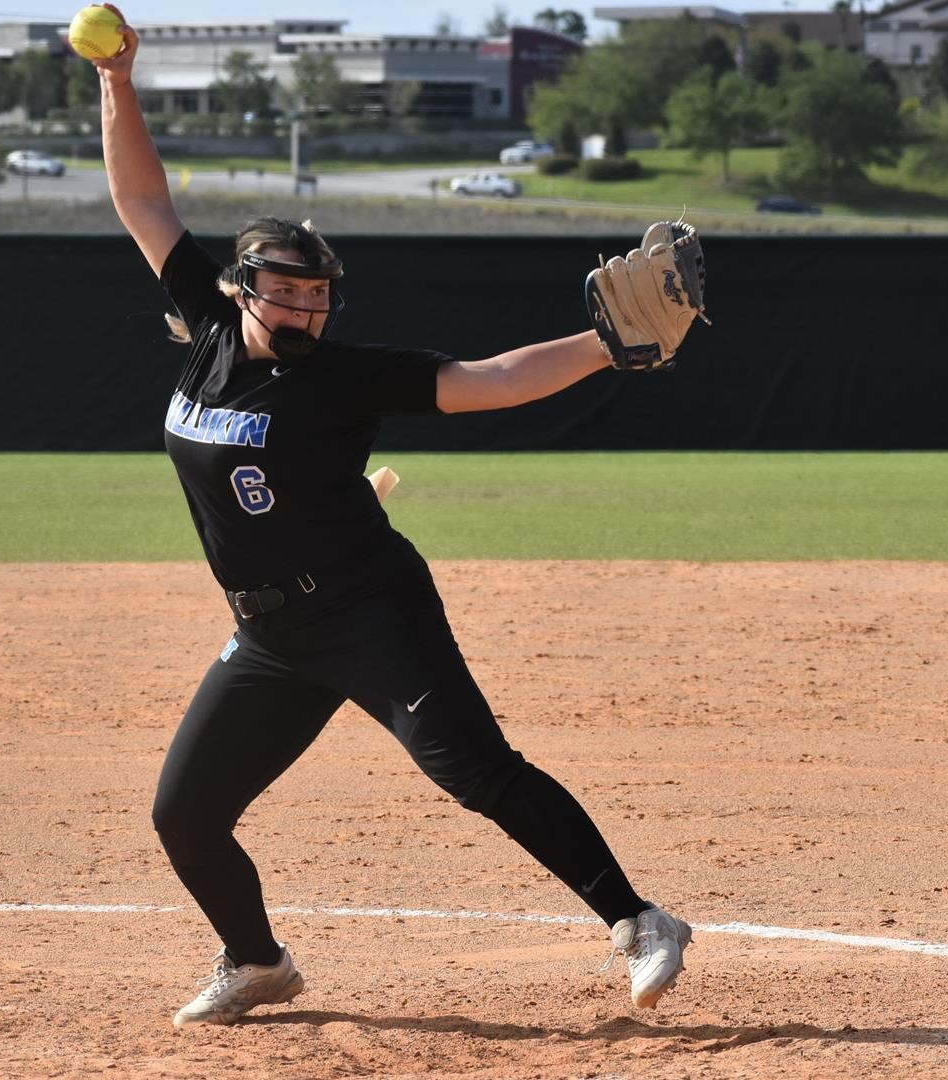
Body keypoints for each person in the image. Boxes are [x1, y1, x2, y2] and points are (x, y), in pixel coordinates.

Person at [90, 6, 698, 1029]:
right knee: (184, 814)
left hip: (372, 614)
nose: (306, 310)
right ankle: (257, 960)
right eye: (285, 293)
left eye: (319, 294)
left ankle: (639, 920)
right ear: (241, 291)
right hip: (270, 635)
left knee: (475, 773)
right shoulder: (208, 329)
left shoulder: (341, 377)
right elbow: (142, 199)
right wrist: (117, 81)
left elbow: (489, 379)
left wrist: (604, 345)